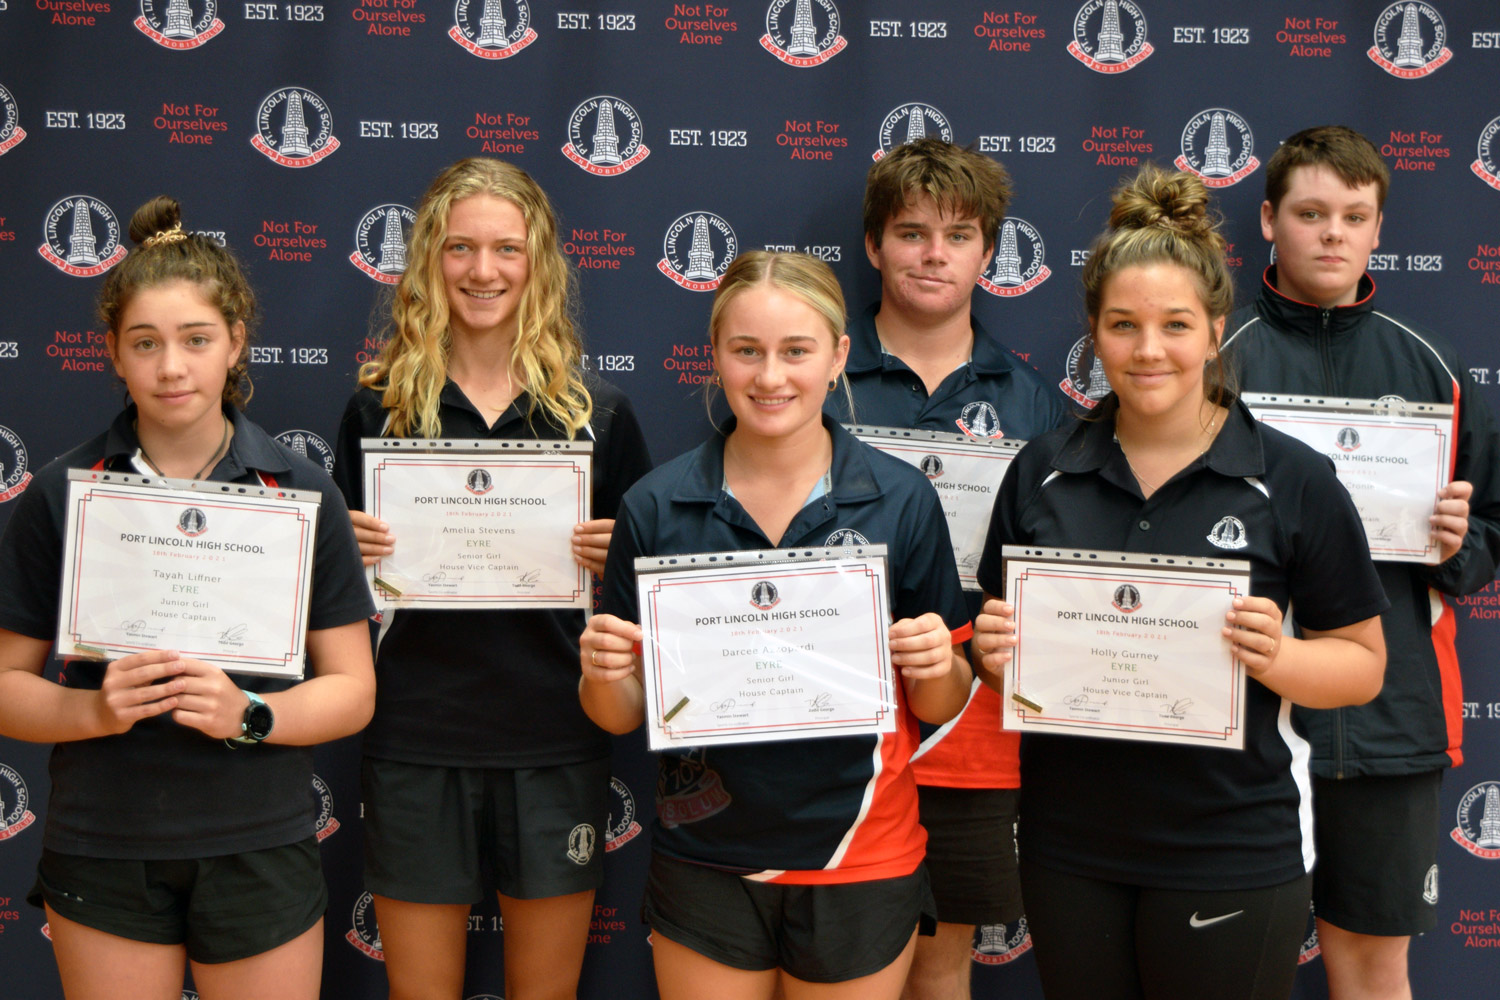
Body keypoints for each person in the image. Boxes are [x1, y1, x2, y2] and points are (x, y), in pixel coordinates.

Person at [971, 164, 1388, 1000]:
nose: (1149, 349)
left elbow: (1363, 664)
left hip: (1230, 844)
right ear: (1093, 331)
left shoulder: (1292, 478)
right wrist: (990, 652)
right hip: (1068, 848)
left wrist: (1279, 659)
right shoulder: (1042, 470)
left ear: (1214, 329)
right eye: (1122, 325)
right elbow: (994, 644)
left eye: (1175, 324)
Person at [0, 196, 376, 1000]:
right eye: (146, 343)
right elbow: (5, 688)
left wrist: (252, 713)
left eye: (196, 340)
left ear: (235, 341)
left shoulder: (301, 493)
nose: (172, 367)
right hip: (104, 841)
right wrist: (95, 710)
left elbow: (353, 690)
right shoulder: (64, 494)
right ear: (114, 353)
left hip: (258, 841)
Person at [579, 251, 973, 1000]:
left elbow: (943, 705)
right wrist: (603, 677)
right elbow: (619, 713)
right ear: (715, 356)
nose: (770, 377)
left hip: (860, 848)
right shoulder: (656, 507)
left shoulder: (901, 498)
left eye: (796, 351)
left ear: (838, 358)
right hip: (707, 856)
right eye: (746, 351)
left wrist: (936, 666)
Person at [333, 158, 651, 1000]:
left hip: (554, 732)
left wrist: (618, 558)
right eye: (459, 248)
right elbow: (334, 603)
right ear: (427, 261)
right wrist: (348, 552)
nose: (483, 271)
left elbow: (648, 602)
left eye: (506, 249)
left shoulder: (597, 414)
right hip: (414, 734)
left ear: (538, 263)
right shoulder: (379, 408)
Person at [1221, 125, 1500, 1000]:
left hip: (1389, 716)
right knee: (1226, 969)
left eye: (1354, 215)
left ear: (1379, 228)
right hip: (1236, 713)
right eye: (1310, 213)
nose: (1332, 233)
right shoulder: (1214, 358)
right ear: (1269, 220)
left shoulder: (1432, 366)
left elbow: (1490, 525)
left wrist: (1461, 543)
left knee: (1375, 971)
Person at [827, 137, 1070, 1000]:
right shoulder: (814, 379)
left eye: (959, 235)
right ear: (873, 245)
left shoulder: (1035, 404)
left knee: (940, 968)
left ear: (990, 254)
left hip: (971, 724)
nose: (934, 255)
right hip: (832, 701)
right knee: (834, 957)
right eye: (912, 232)